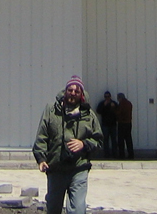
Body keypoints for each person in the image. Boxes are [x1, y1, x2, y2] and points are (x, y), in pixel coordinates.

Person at [33, 76, 102, 214]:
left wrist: (84, 144)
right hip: (56, 168)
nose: (73, 93)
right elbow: (42, 136)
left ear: (81, 94)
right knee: (53, 208)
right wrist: (41, 159)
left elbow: (98, 141)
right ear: (65, 91)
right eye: (70, 90)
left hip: (79, 168)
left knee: (78, 209)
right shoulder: (51, 111)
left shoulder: (89, 115)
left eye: (77, 91)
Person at [96, 92, 118, 158]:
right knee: (105, 140)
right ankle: (106, 154)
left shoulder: (113, 103)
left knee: (114, 140)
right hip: (105, 124)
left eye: (108, 96)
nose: (107, 98)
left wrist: (114, 107)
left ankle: (115, 154)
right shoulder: (102, 103)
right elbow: (98, 111)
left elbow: (118, 111)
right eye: (106, 96)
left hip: (113, 124)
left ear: (110, 96)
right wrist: (104, 106)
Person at [116, 93, 134, 159]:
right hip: (128, 123)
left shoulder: (121, 104)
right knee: (128, 139)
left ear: (120, 98)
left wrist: (114, 110)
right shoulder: (129, 103)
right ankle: (131, 154)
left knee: (121, 140)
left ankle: (122, 155)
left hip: (122, 123)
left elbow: (118, 112)